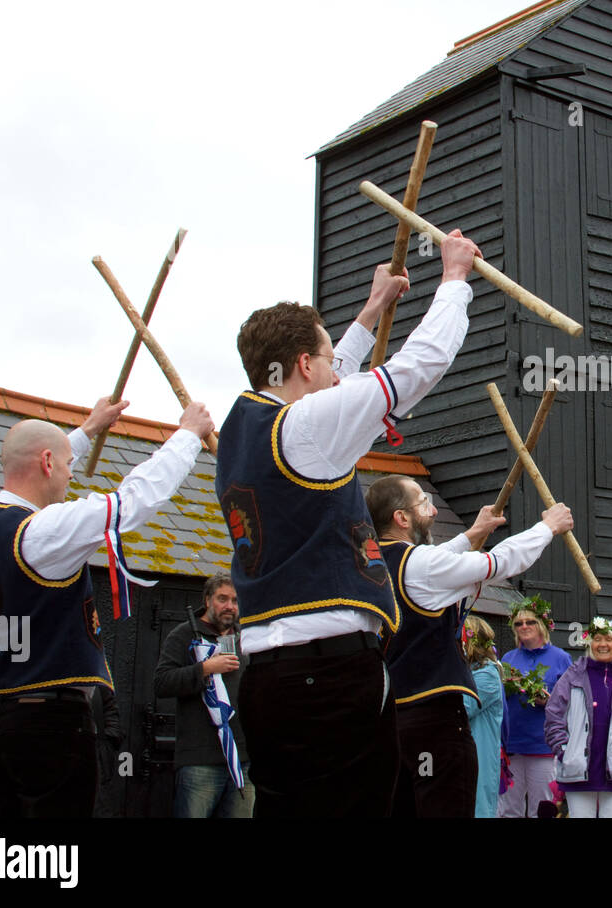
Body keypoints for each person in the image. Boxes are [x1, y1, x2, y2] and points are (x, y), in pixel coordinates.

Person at [215, 231, 478, 817]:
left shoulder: (243, 429)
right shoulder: (306, 429)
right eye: (329, 355)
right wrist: (454, 280)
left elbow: (330, 385)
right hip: (328, 673)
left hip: (268, 678)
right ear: (304, 364)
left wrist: (370, 310)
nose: (339, 367)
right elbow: (416, 369)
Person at [0, 396, 213, 817]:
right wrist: (187, 435)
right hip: (49, 727)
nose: (69, 475)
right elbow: (133, 501)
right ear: (46, 463)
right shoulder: (39, 534)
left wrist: (89, 429)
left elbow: (42, 458)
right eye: (66, 466)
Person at [366, 474, 573, 817]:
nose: (431, 511)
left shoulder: (375, 563)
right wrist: (547, 528)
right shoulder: (420, 564)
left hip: (391, 717)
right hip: (432, 718)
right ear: (401, 518)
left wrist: (472, 534)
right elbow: (497, 563)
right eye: (423, 503)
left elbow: (432, 563)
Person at [153, 572, 253, 817]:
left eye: (235, 600)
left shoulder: (247, 638)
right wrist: (205, 669)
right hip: (200, 759)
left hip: (243, 760)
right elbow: (162, 683)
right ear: (207, 600)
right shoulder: (183, 634)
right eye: (222, 598)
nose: (230, 606)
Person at [544, 617, 612, 818]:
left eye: (609, 639)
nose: (603, 645)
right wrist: (565, 751)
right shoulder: (573, 676)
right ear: (590, 643)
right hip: (579, 771)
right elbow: (554, 715)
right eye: (598, 639)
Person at [499, 596, 571, 818]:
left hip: (543, 745)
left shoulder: (560, 658)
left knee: (543, 808)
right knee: (508, 808)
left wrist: (550, 702)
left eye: (530, 622)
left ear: (541, 626)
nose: (524, 627)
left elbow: (573, 701)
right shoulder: (508, 658)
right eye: (519, 623)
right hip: (513, 745)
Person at [462, 616, 505, 818]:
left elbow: (464, 708)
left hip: (480, 753)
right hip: (460, 753)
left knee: (478, 808)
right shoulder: (465, 670)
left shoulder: (487, 674)